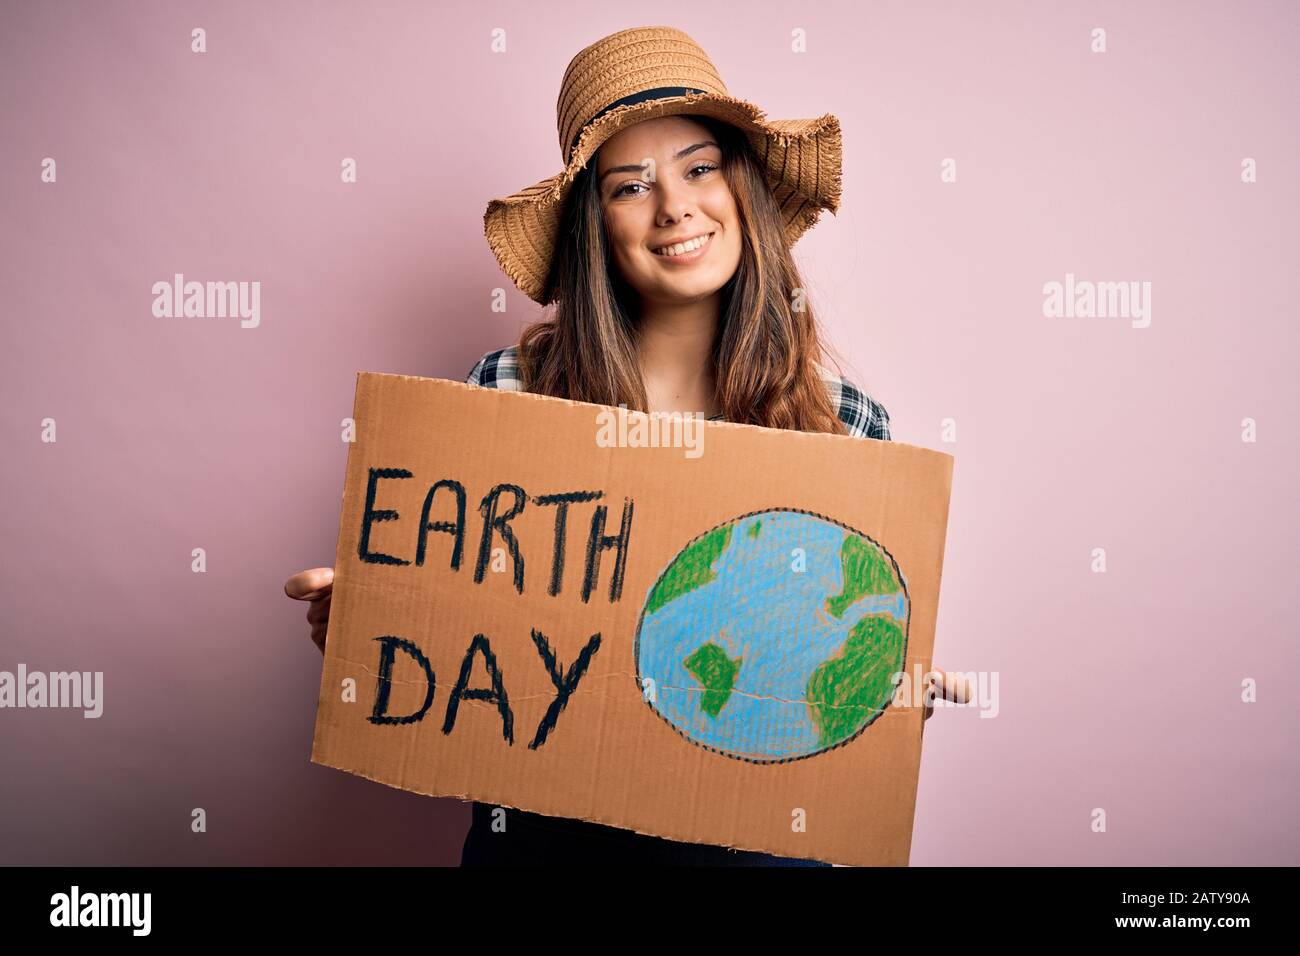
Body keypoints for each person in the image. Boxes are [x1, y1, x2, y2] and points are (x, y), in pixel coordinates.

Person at [284, 25, 972, 866]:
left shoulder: (846, 422)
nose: (674, 206)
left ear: (741, 188)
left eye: (699, 167)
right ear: (593, 224)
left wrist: (889, 692)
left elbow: (826, 690)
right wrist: (374, 618)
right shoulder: (509, 393)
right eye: (629, 186)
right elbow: (470, 651)